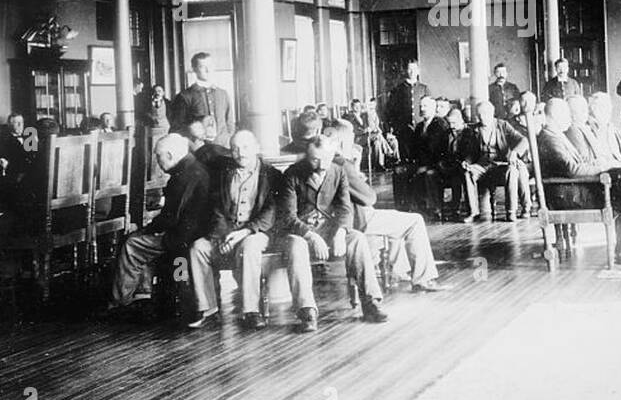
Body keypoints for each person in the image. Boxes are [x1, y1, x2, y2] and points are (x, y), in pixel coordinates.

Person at [187, 129, 317, 331]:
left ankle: (251, 311)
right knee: (198, 248)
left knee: (249, 246)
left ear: (256, 148)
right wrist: (223, 235)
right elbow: (217, 208)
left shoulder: (272, 175)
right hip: (228, 231)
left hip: (259, 232)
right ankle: (208, 309)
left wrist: (246, 231)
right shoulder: (222, 174)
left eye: (246, 147)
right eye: (235, 149)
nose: (241, 153)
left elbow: (271, 212)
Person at [279, 133, 388, 323]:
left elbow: (345, 208)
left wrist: (341, 231)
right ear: (307, 156)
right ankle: (307, 310)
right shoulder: (292, 174)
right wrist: (310, 236)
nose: (322, 165)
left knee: (357, 238)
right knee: (296, 246)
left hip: (330, 230)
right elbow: (288, 217)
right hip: (301, 232)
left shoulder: (338, 171)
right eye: (315, 159)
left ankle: (371, 303)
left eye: (326, 159)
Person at [327, 123, 444, 292]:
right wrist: (356, 166)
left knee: (396, 221)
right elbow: (369, 197)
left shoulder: (330, 161)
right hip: (359, 218)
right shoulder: (342, 163)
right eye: (351, 135)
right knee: (415, 221)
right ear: (343, 141)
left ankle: (399, 271)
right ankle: (423, 279)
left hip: (345, 219)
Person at [109, 133, 211, 314]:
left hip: (179, 237)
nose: (158, 161)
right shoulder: (195, 168)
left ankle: (121, 302)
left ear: (170, 155)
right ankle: (143, 294)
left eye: (158, 156)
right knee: (143, 241)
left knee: (132, 244)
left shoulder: (181, 177)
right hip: (193, 234)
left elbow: (169, 218)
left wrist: (145, 230)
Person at [539, 98, 621, 266]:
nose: (569, 118)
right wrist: (605, 165)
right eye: (566, 114)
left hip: (571, 190)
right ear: (557, 115)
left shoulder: (554, 134)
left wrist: (597, 164)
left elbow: (576, 164)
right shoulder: (550, 138)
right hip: (566, 197)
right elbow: (572, 170)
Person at [468, 100, 530, 221]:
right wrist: (468, 163)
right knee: (468, 173)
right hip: (483, 165)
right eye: (479, 114)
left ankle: (511, 211)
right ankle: (473, 212)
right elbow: (469, 151)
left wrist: (515, 152)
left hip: (502, 165)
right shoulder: (473, 130)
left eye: (485, 114)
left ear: (492, 113)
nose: (482, 117)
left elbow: (523, 140)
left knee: (512, 171)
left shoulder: (503, 125)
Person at [169, 52, 235, 146]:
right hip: (199, 151)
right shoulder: (185, 96)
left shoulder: (223, 94)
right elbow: (177, 128)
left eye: (210, 66)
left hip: (224, 149)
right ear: (194, 69)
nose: (208, 70)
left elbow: (230, 124)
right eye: (202, 67)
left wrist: (227, 140)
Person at [430, 107, 479, 220]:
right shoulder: (447, 133)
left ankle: (457, 209)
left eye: (454, 123)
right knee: (432, 174)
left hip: (462, 166)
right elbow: (440, 151)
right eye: (449, 123)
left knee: (456, 178)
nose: (451, 126)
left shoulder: (469, 133)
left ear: (461, 120)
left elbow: (472, 152)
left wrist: (466, 162)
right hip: (448, 165)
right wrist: (440, 163)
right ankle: (437, 210)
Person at [386, 59, 431, 157]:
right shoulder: (398, 89)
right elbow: (390, 111)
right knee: (406, 157)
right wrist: (395, 127)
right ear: (406, 71)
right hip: (403, 130)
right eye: (409, 69)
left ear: (418, 71)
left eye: (414, 69)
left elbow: (430, 109)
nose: (412, 72)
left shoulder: (424, 89)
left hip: (421, 128)